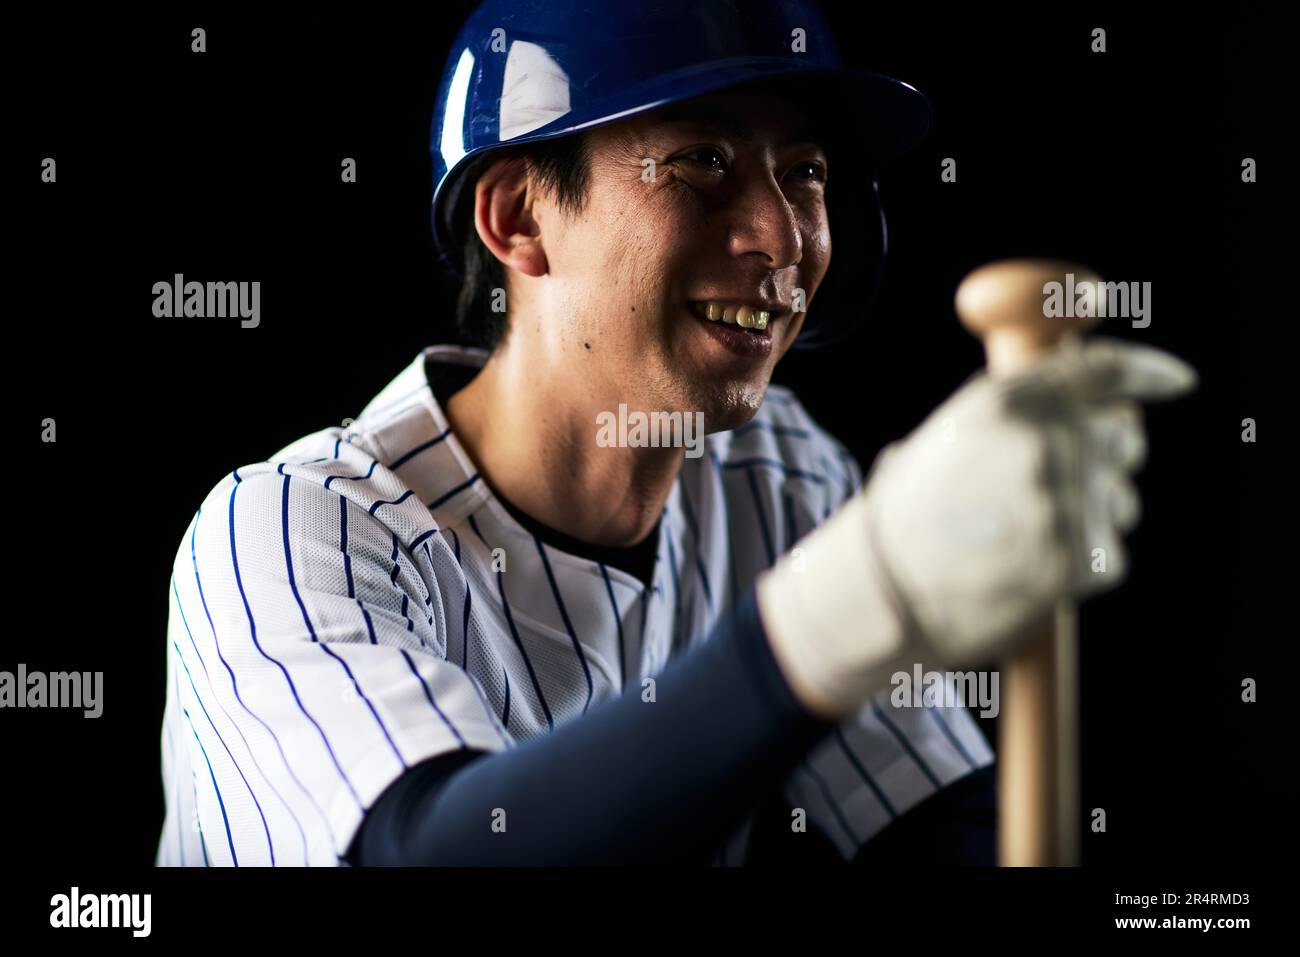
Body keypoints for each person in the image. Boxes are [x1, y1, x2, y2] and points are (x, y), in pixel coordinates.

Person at [154, 0, 1194, 867]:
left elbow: (937, 827)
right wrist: (863, 591)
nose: (781, 237)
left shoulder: (776, 473)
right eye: (700, 161)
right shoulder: (288, 531)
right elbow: (431, 856)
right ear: (517, 218)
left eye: (806, 174)